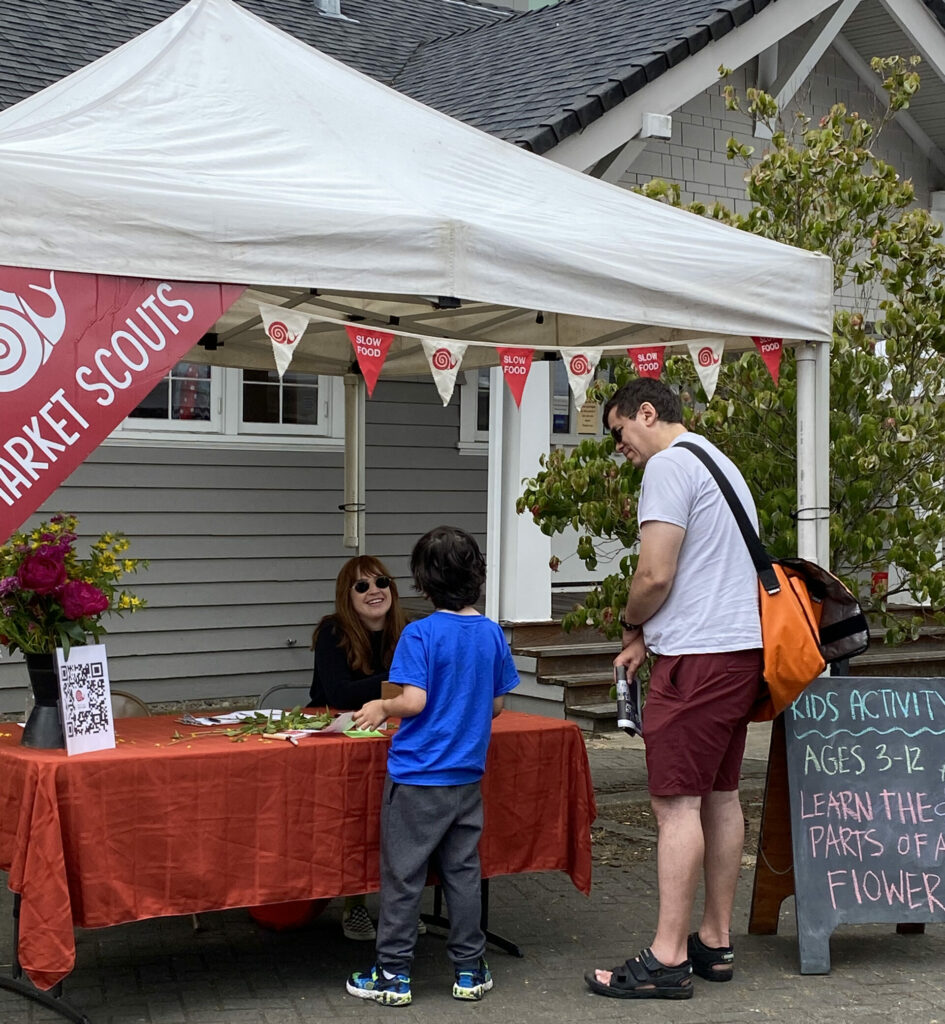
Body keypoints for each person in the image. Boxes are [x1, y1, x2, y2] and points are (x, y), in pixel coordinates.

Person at [586, 378, 763, 1000]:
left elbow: (656, 573)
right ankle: (714, 942)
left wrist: (633, 622)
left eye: (618, 433)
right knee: (719, 794)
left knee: (674, 805)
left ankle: (666, 958)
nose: (620, 449)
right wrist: (647, 636)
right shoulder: (721, 463)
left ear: (647, 412)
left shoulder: (667, 465)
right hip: (741, 651)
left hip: (697, 658)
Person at [345, 526, 519, 1007]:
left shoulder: (419, 634)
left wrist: (383, 708)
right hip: (466, 776)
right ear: (477, 575)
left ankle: (393, 974)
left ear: (422, 581)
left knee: (403, 878)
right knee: (463, 874)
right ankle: (469, 969)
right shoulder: (491, 633)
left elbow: (415, 700)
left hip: (418, 777)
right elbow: (497, 704)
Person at [310, 555, 407, 942]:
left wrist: (394, 690)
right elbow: (338, 694)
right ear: (346, 596)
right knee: (352, 818)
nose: (374, 592)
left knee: (395, 817)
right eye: (361, 586)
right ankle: (354, 906)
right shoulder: (332, 632)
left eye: (381, 582)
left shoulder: (409, 629)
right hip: (334, 739)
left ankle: (399, 907)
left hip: (391, 734)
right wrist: (398, 681)